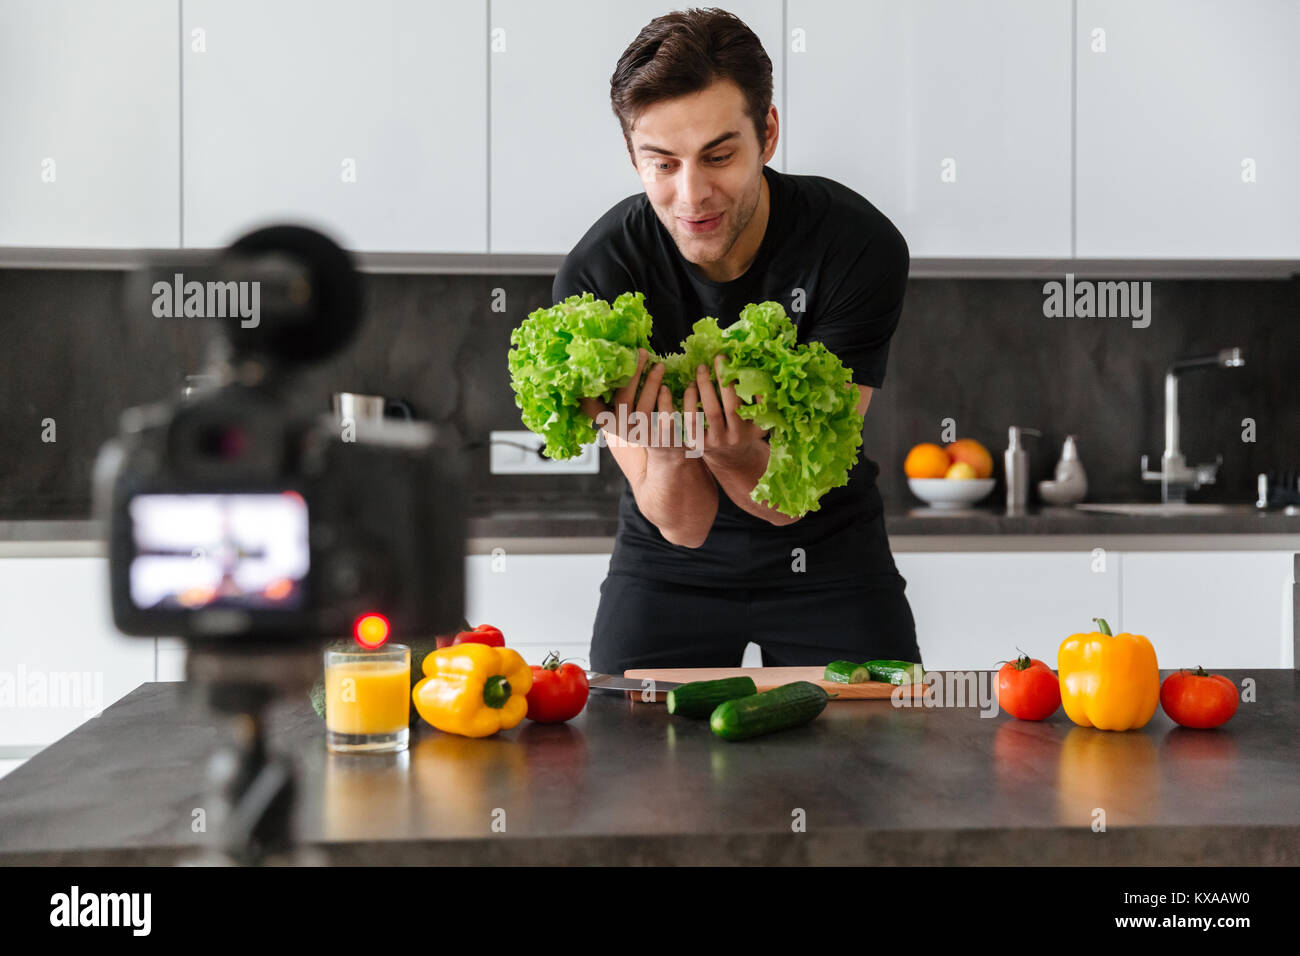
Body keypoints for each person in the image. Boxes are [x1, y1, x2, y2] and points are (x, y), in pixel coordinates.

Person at [552, 8, 922, 674]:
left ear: (768, 134)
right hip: (666, 564)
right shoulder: (599, 276)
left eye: (719, 156)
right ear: (632, 157)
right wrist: (668, 452)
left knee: (878, 750)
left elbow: (788, 502)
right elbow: (682, 521)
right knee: (629, 759)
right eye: (661, 163)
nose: (692, 195)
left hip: (829, 552)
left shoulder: (856, 249)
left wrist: (729, 445)